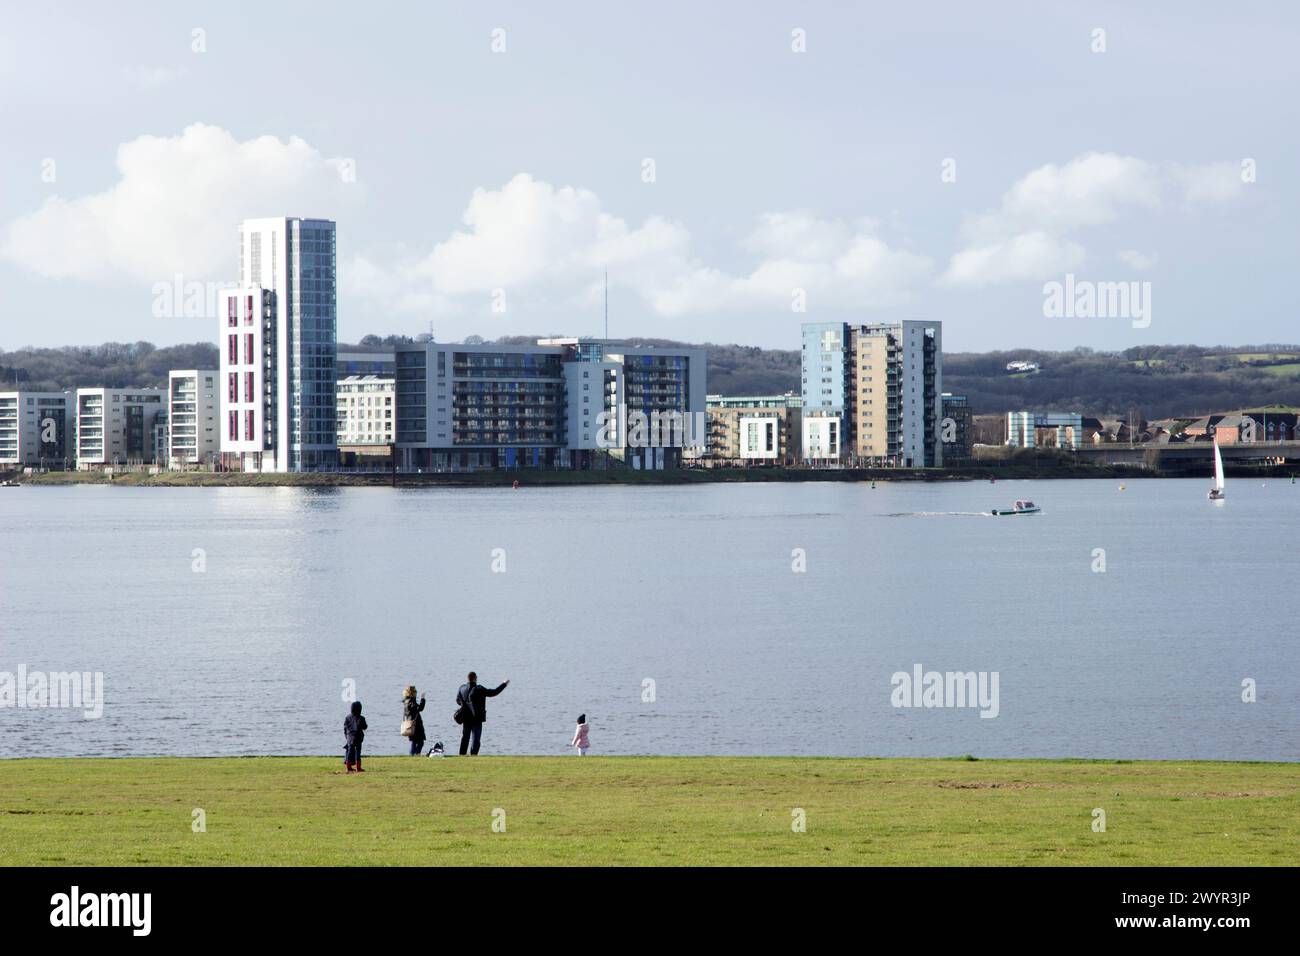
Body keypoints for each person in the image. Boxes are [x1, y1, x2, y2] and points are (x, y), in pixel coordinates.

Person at [455, 671, 509, 756]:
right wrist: (504, 684)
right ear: (475, 678)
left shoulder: (462, 688)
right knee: (476, 739)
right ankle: (473, 755)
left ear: (468, 678)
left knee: (465, 737)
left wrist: (465, 705)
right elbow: (493, 692)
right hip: (477, 718)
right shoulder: (479, 689)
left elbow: (458, 700)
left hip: (465, 718)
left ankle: (462, 754)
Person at [343, 700, 367, 773]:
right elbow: (365, 727)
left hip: (349, 737)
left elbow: (345, 727)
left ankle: (348, 768)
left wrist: (346, 736)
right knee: (358, 752)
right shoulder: (361, 718)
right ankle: (358, 768)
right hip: (358, 737)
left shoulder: (347, 717)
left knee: (349, 752)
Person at [402, 685, 426, 756]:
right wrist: (423, 699)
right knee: (419, 742)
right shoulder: (411, 701)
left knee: (414, 741)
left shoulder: (406, 701)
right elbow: (420, 708)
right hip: (415, 725)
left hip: (410, 724)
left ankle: (414, 755)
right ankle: (415, 754)